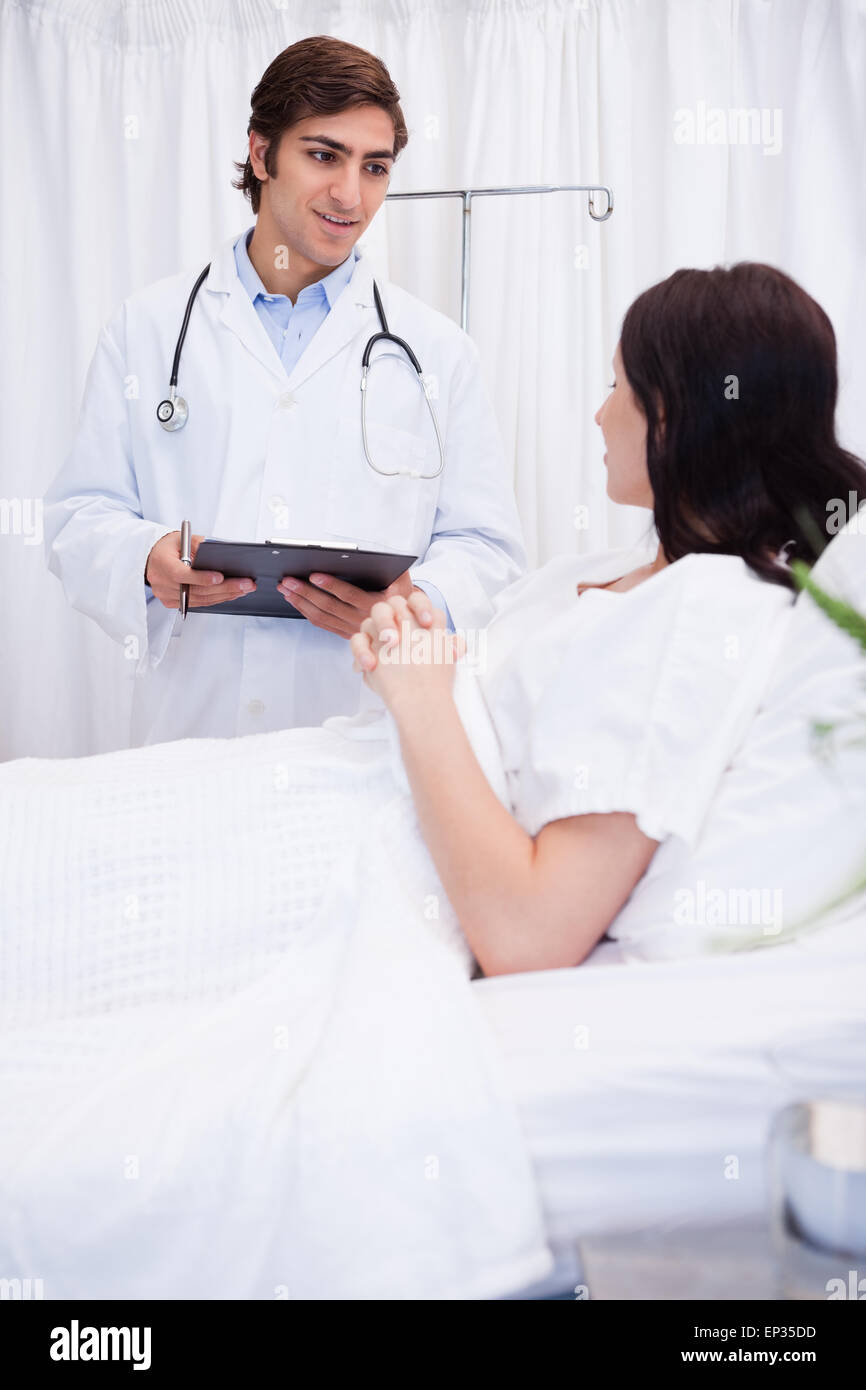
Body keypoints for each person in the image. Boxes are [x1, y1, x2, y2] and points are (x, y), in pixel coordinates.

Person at [4, 263, 865, 1299]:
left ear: (676, 414)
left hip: (345, 851)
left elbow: (530, 930)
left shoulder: (702, 613)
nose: (596, 416)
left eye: (618, 390)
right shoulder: (605, 573)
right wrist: (413, 646)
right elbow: (490, 711)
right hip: (307, 786)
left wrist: (418, 696)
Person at [43, 35, 526, 746]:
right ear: (262, 153)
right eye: (324, 155)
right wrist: (145, 559)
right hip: (191, 733)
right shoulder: (147, 328)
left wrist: (415, 599)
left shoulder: (438, 353)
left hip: (362, 734)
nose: (351, 195)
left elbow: (488, 547)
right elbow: (79, 515)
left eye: (376, 167)